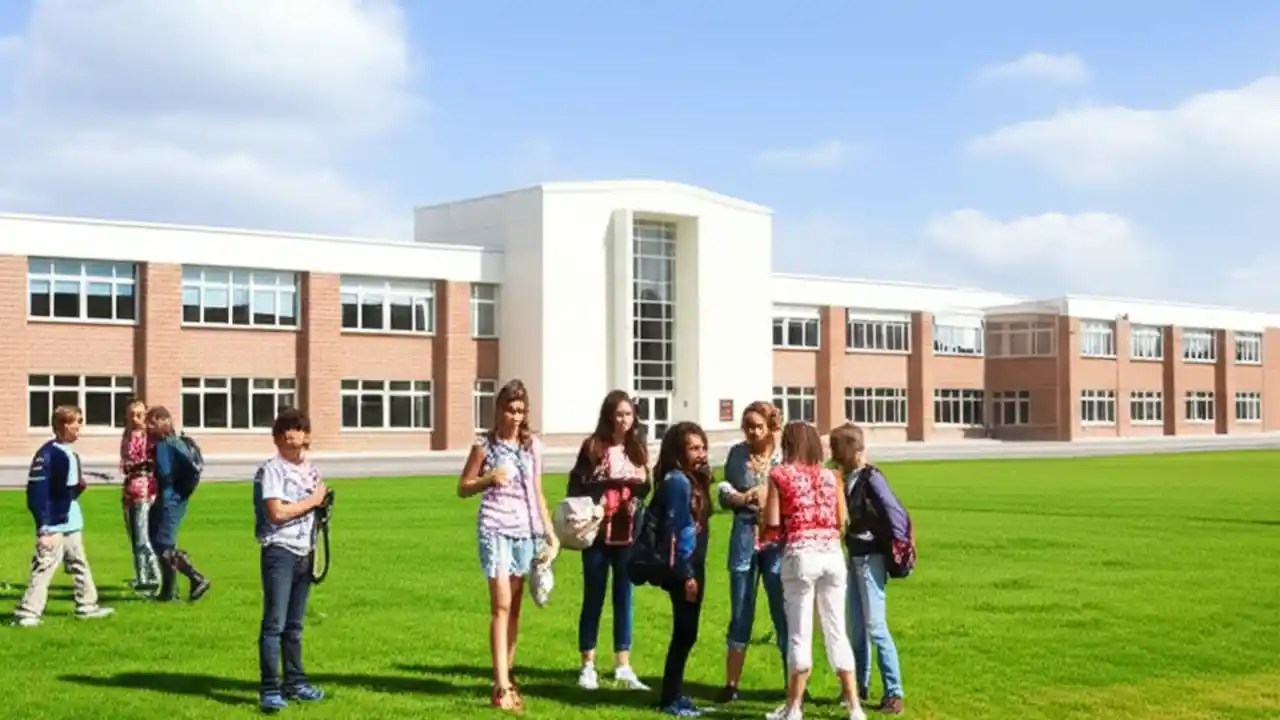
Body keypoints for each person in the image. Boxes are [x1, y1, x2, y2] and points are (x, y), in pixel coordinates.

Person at [457, 379, 559, 713]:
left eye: (520, 410)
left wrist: (549, 532)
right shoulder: (484, 446)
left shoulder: (533, 448)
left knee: (514, 607)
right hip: (495, 528)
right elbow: (463, 487)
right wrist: (488, 478)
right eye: (509, 409)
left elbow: (537, 490)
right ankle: (501, 687)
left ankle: (506, 676)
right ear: (498, 410)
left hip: (525, 532)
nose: (515, 416)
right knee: (500, 605)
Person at [763, 421, 865, 720]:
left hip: (800, 555)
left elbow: (771, 523)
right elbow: (840, 520)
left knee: (799, 634)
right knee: (837, 631)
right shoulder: (830, 476)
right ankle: (855, 706)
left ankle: (793, 708)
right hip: (832, 554)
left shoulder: (780, 475)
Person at [567, 390, 652, 692]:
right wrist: (600, 495)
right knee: (594, 596)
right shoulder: (593, 447)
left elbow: (646, 487)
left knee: (624, 598)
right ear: (608, 416)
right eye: (618, 414)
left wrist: (634, 493)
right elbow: (575, 486)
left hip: (628, 533)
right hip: (597, 533)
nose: (624, 420)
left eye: (628, 414)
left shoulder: (638, 448)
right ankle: (587, 664)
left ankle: (623, 665)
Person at [253, 407, 329, 713]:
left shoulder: (310, 470)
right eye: (283, 429)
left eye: (296, 428)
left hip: (304, 550)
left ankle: (295, 682)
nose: (290, 433)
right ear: (275, 437)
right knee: (274, 623)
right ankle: (270, 688)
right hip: (279, 550)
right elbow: (276, 512)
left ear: (306, 435)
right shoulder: (272, 469)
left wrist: (321, 505)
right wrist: (313, 501)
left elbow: (317, 503)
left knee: (294, 626)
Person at [11, 405, 115, 627]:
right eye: (76, 422)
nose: (79, 427)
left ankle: (87, 605)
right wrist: (44, 526)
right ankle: (28, 612)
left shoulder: (70, 454)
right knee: (45, 566)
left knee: (79, 563)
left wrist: (77, 489)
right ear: (63, 425)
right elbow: (37, 493)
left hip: (71, 521)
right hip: (54, 524)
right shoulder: (48, 455)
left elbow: (67, 490)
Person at [832, 423, 908, 715]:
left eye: (838, 450)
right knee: (856, 629)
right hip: (853, 558)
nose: (834, 456)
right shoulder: (846, 476)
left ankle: (894, 692)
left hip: (870, 559)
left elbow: (895, 514)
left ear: (852, 450)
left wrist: (892, 547)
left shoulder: (872, 477)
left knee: (876, 627)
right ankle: (858, 688)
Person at [715, 401, 787, 702]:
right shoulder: (737, 454)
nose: (753, 432)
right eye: (748, 426)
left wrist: (770, 498)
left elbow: (793, 492)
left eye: (758, 426)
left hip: (775, 541)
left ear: (771, 426)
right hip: (744, 536)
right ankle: (731, 685)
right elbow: (724, 489)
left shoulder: (784, 456)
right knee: (741, 611)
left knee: (783, 613)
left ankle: (793, 685)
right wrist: (741, 497)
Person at [652, 421, 713, 718]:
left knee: (687, 633)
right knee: (685, 631)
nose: (700, 453)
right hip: (684, 566)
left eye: (702, 447)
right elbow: (676, 531)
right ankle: (669, 698)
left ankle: (674, 693)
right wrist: (687, 574)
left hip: (694, 563)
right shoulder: (677, 481)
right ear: (679, 452)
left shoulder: (693, 479)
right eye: (693, 448)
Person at [146, 406, 211, 602]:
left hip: (167, 500)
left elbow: (165, 475)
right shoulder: (179, 443)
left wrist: (162, 496)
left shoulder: (164, 445)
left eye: (152, 423)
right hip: (178, 498)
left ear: (162, 421)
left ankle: (196, 578)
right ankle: (168, 591)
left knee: (162, 545)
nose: (148, 428)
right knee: (164, 543)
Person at [120, 398, 161, 593]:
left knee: (143, 536)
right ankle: (141, 576)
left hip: (145, 488)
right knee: (133, 536)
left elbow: (151, 461)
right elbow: (125, 461)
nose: (135, 419)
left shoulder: (150, 436)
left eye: (139, 415)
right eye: (131, 415)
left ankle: (155, 576)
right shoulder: (127, 434)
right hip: (129, 488)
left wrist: (140, 465)